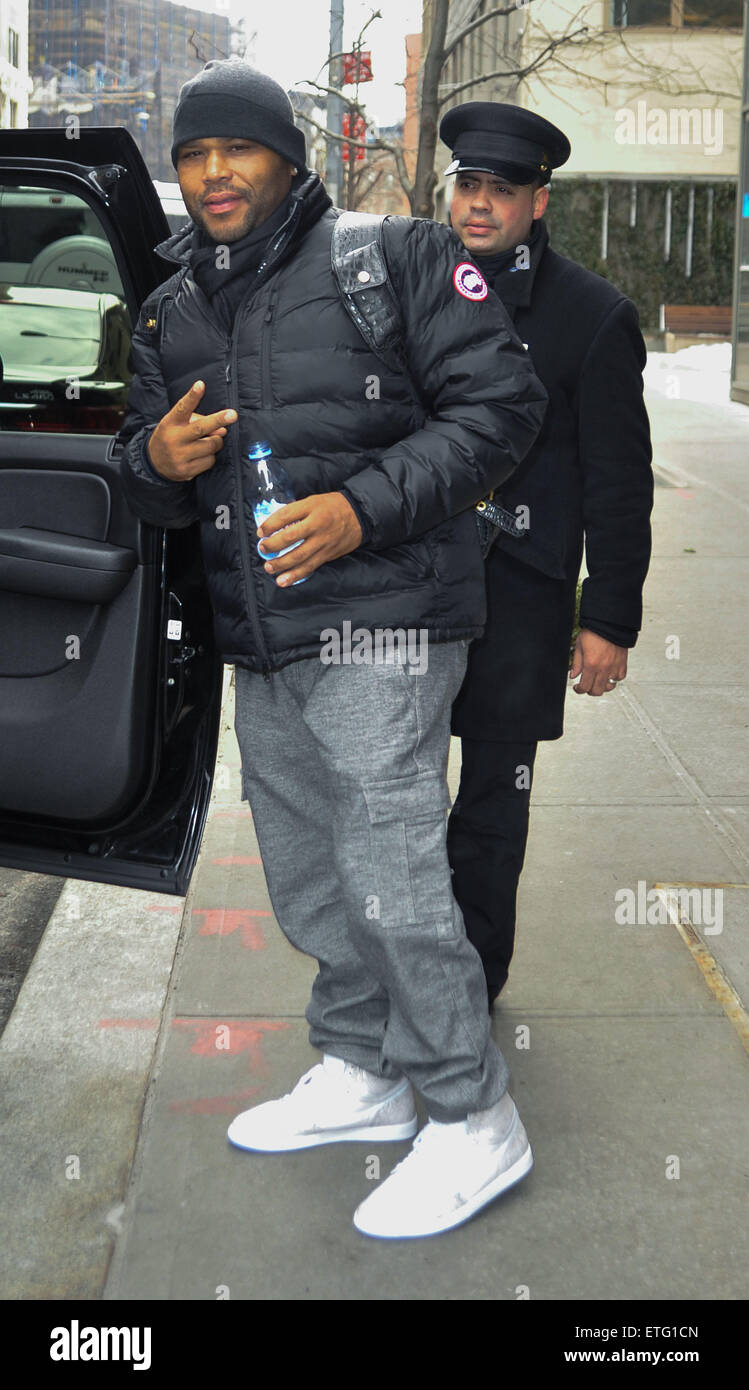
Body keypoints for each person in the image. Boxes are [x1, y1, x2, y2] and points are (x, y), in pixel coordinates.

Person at [117, 61, 548, 1239]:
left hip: (385, 625)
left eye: (235, 150)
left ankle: (471, 1112)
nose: (211, 173)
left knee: (394, 874)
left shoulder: (391, 259)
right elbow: (136, 486)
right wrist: (156, 461)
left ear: (288, 159)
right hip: (262, 645)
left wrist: (360, 506)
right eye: (193, 152)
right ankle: (364, 1069)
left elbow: (501, 408)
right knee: (312, 874)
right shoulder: (170, 312)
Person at [440, 103, 654, 1008]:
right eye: (468, 185)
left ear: (538, 201)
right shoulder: (414, 282)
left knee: (493, 802)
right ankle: (406, 970)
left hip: (519, 602)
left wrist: (606, 616)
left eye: (502, 189)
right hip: (408, 589)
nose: (480, 205)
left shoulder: (592, 316)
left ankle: (468, 987)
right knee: (395, 792)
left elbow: (618, 481)